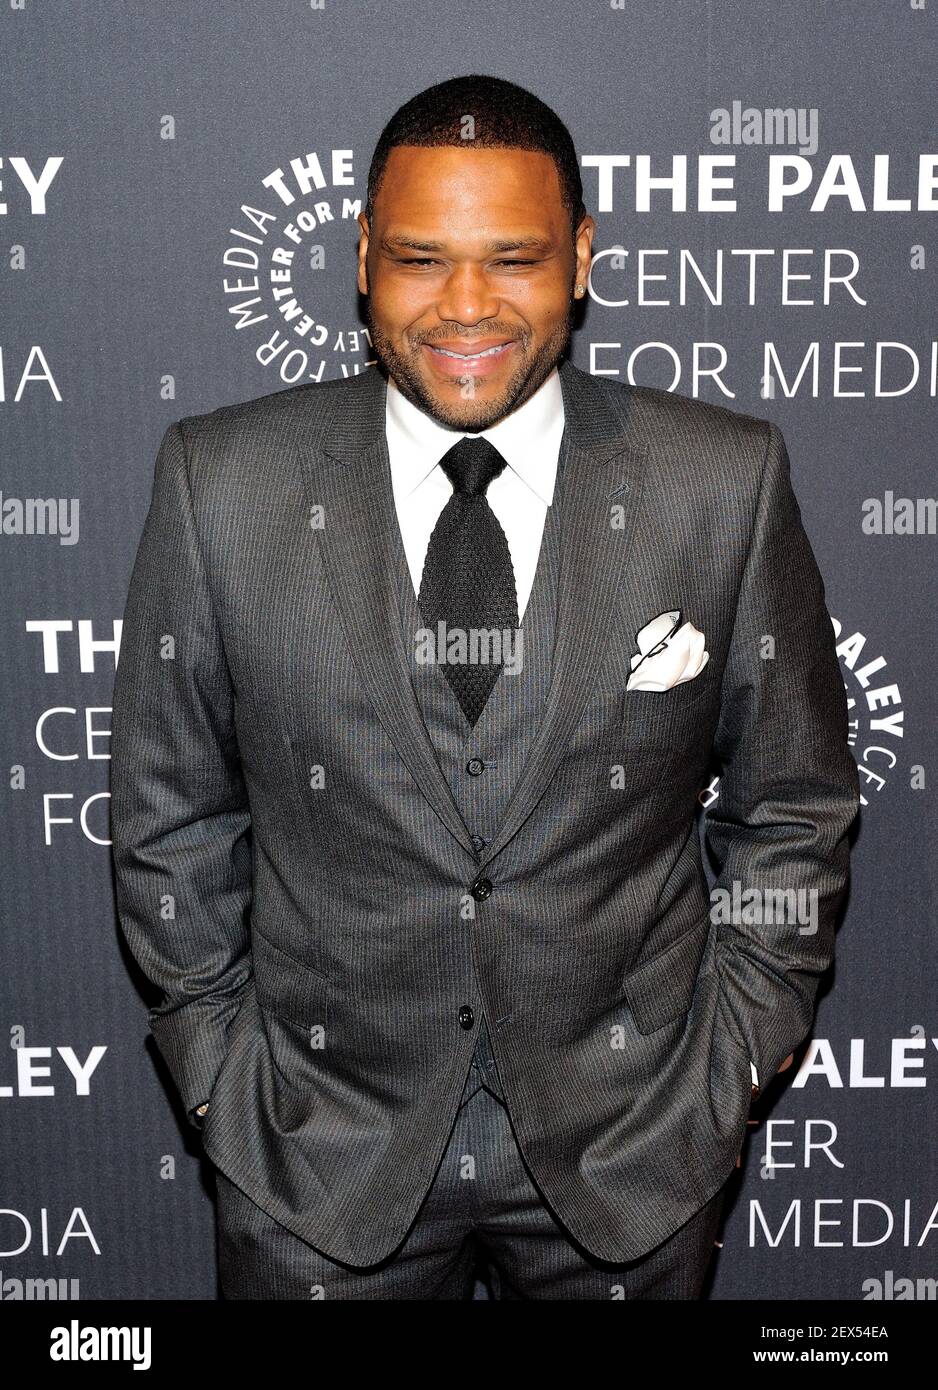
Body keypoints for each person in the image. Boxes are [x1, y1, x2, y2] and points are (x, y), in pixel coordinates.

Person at [110, 74, 860, 1299]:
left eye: (511, 259)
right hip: (314, 1158)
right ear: (361, 258)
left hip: (632, 1158)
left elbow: (791, 808)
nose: (465, 308)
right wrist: (225, 1083)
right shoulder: (221, 482)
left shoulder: (718, 481)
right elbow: (168, 816)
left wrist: (726, 1063)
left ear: (579, 257)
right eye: (419, 258)